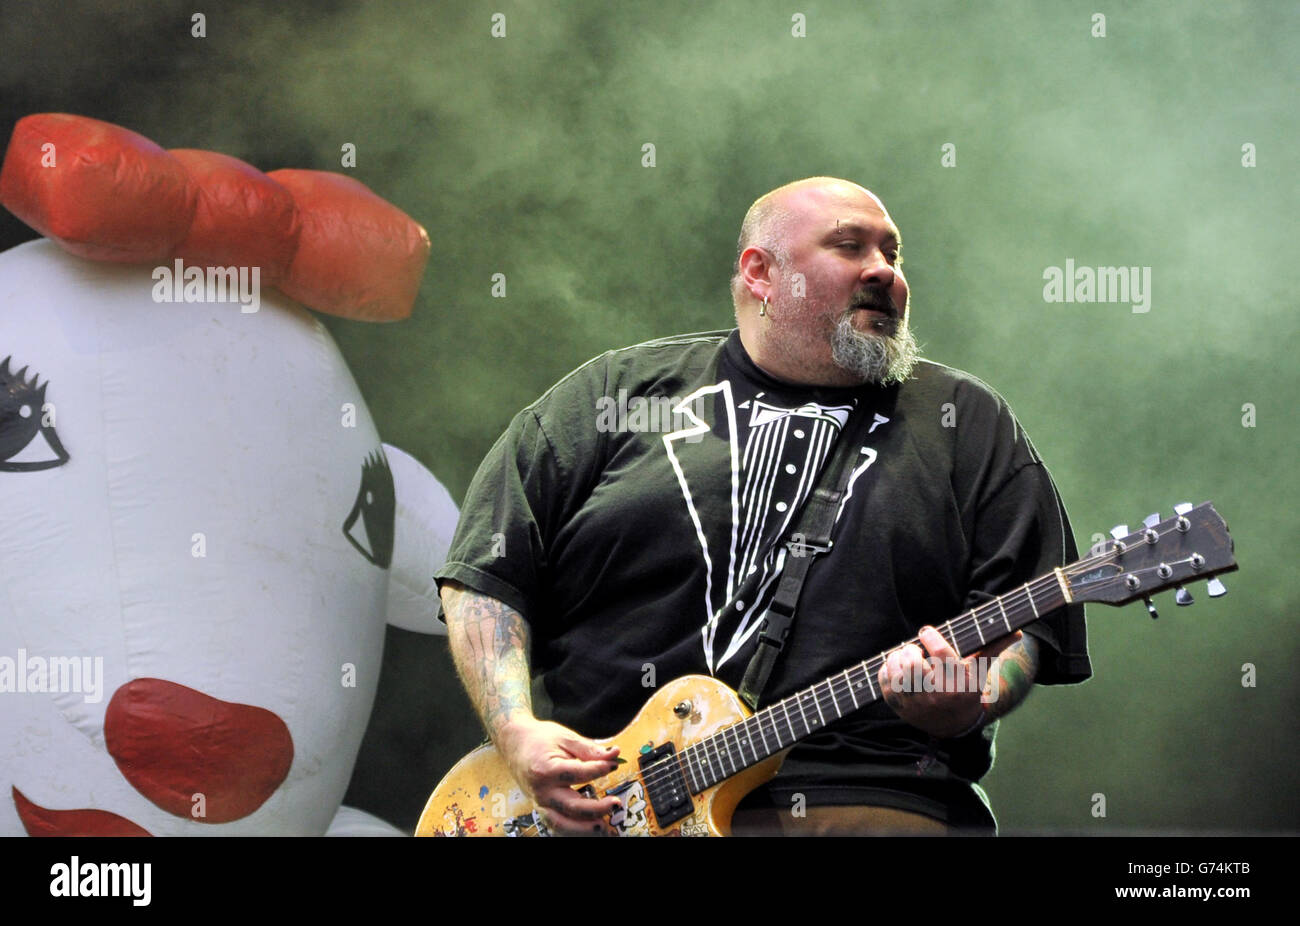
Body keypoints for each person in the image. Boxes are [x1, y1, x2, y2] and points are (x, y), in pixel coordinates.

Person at [435, 177, 1091, 836]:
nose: (884, 272)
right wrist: (515, 731)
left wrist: (968, 702)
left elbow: (1024, 619)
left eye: (893, 254)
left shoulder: (964, 421)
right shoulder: (619, 393)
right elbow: (488, 574)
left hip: (866, 794)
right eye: (850, 246)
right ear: (761, 273)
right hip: (591, 810)